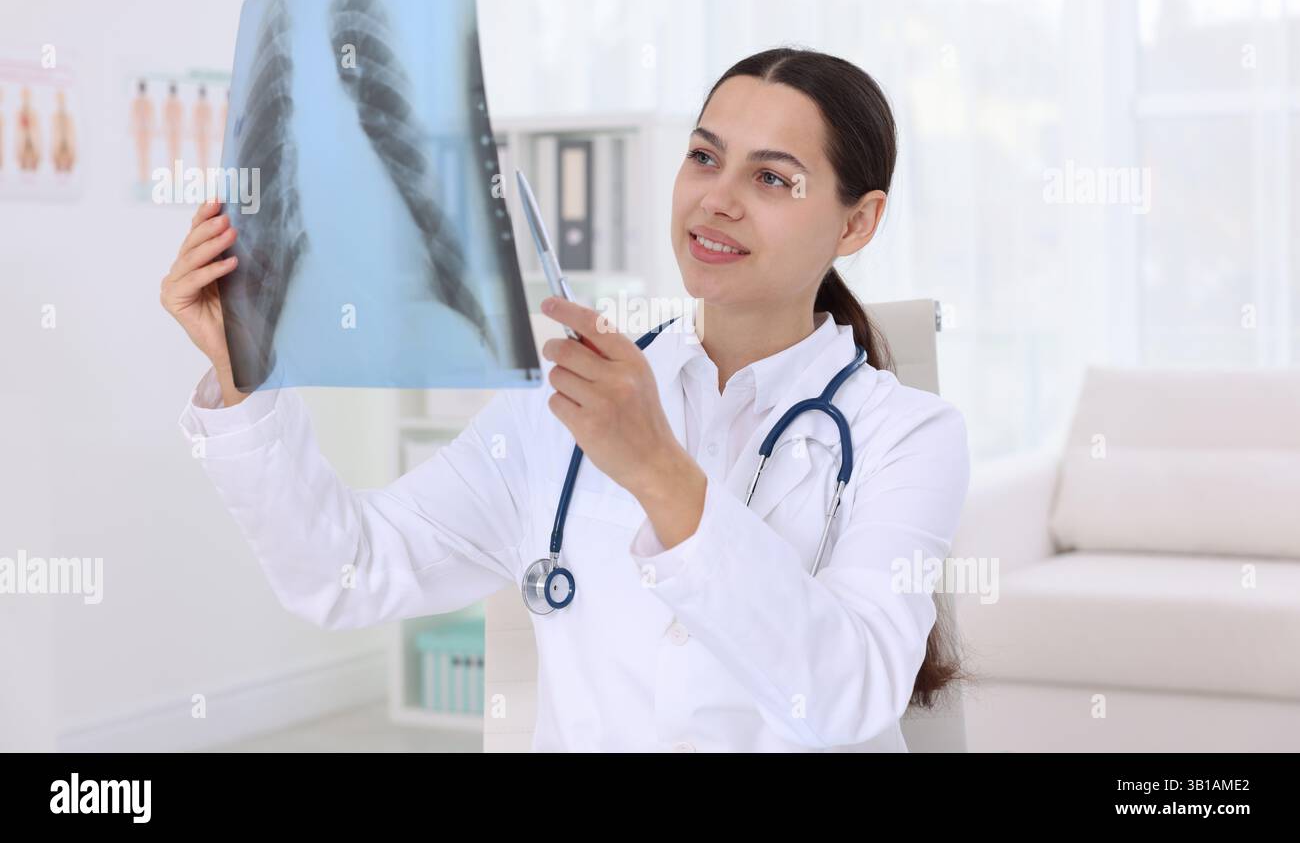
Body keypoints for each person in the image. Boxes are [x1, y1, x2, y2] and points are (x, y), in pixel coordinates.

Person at [160, 47, 971, 752]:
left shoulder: (906, 434)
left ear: (858, 223)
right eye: (703, 156)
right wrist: (245, 370)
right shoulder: (562, 401)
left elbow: (846, 694)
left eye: (770, 177)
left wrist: (655, 465)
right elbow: (347, 572)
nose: (716, 198)